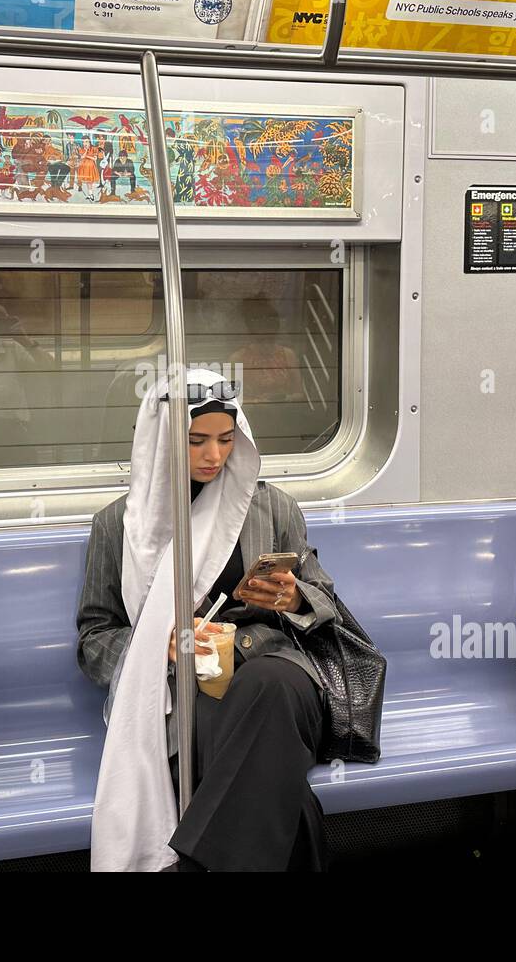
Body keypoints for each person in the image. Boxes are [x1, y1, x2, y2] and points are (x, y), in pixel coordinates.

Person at [76, 367, 341, 871]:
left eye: (225, 440)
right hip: (185, 689)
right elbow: (95, 635)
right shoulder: (120, 526)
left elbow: (324, 599)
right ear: (163, 441)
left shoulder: (270, 508)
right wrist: (161, 647)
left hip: (278, 671)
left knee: (269, 686)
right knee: (281, 792)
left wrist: (293, 597)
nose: (214, 456)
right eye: (196, 441)